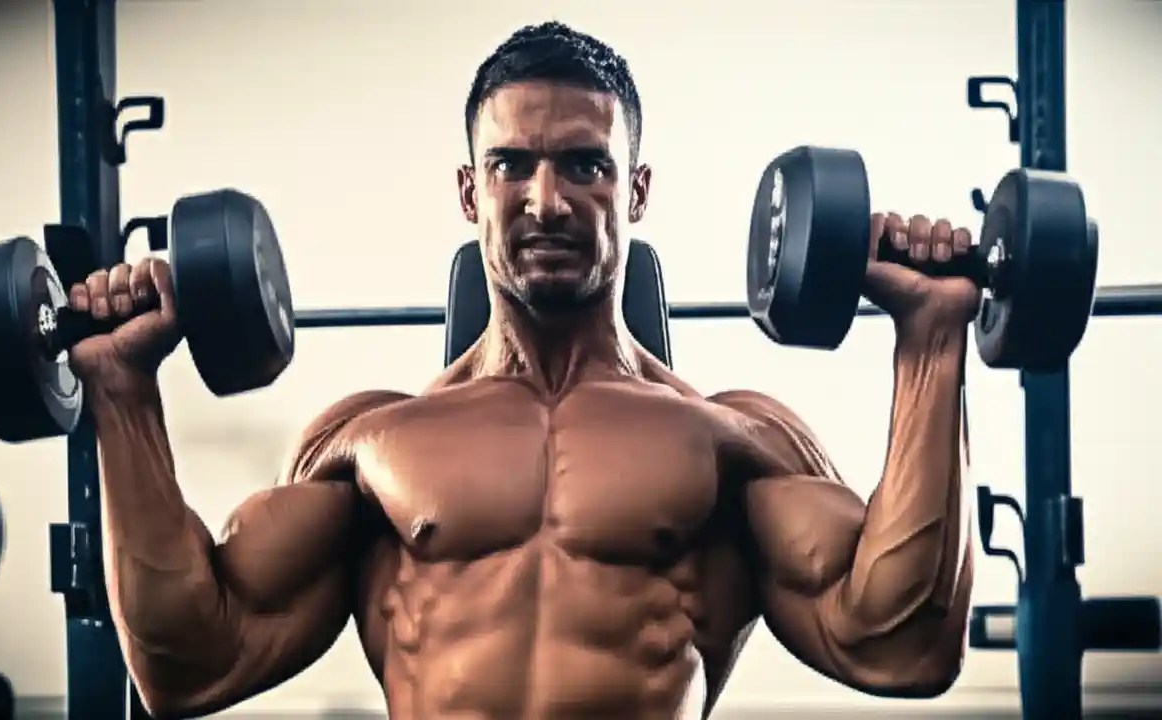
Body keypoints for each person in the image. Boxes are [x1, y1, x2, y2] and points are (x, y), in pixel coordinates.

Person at [69, 21, 975, 720]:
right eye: (511, 166)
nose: (547, 202)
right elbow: (189, 666)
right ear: (471, 190)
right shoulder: (368, 446)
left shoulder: (735, 440)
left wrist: (930, 341)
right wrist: (121, 392)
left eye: (587, 164)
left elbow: (901, 644)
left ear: (638, 189)